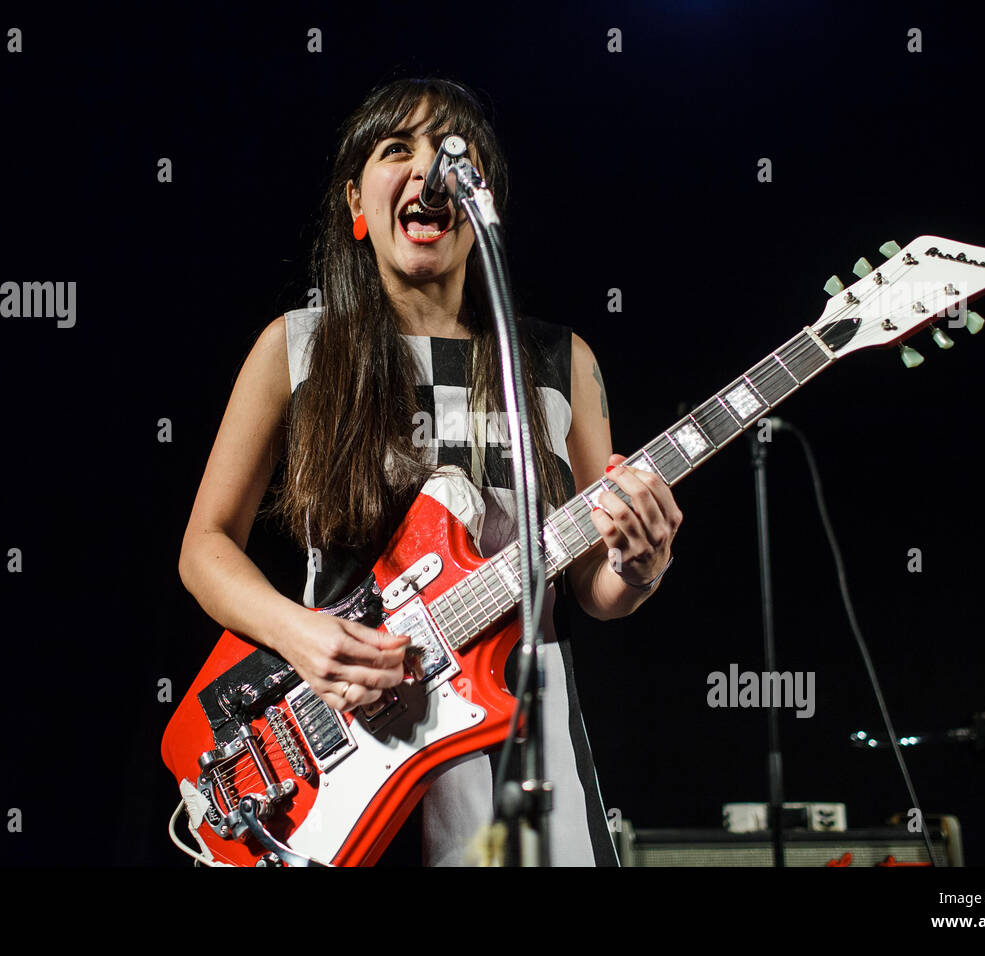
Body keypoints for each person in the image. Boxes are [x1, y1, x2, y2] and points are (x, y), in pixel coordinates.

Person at [177, 76, 683, 866]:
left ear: (485, 205)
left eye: (452, 152)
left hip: (525, 744)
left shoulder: (559, 362)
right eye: (394, 150)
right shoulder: (296, 348)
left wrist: (639, 564)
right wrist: (304, 638)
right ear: (356, 200)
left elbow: (593, 588)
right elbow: (204, 545)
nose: (427, 171)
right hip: (348, 739)